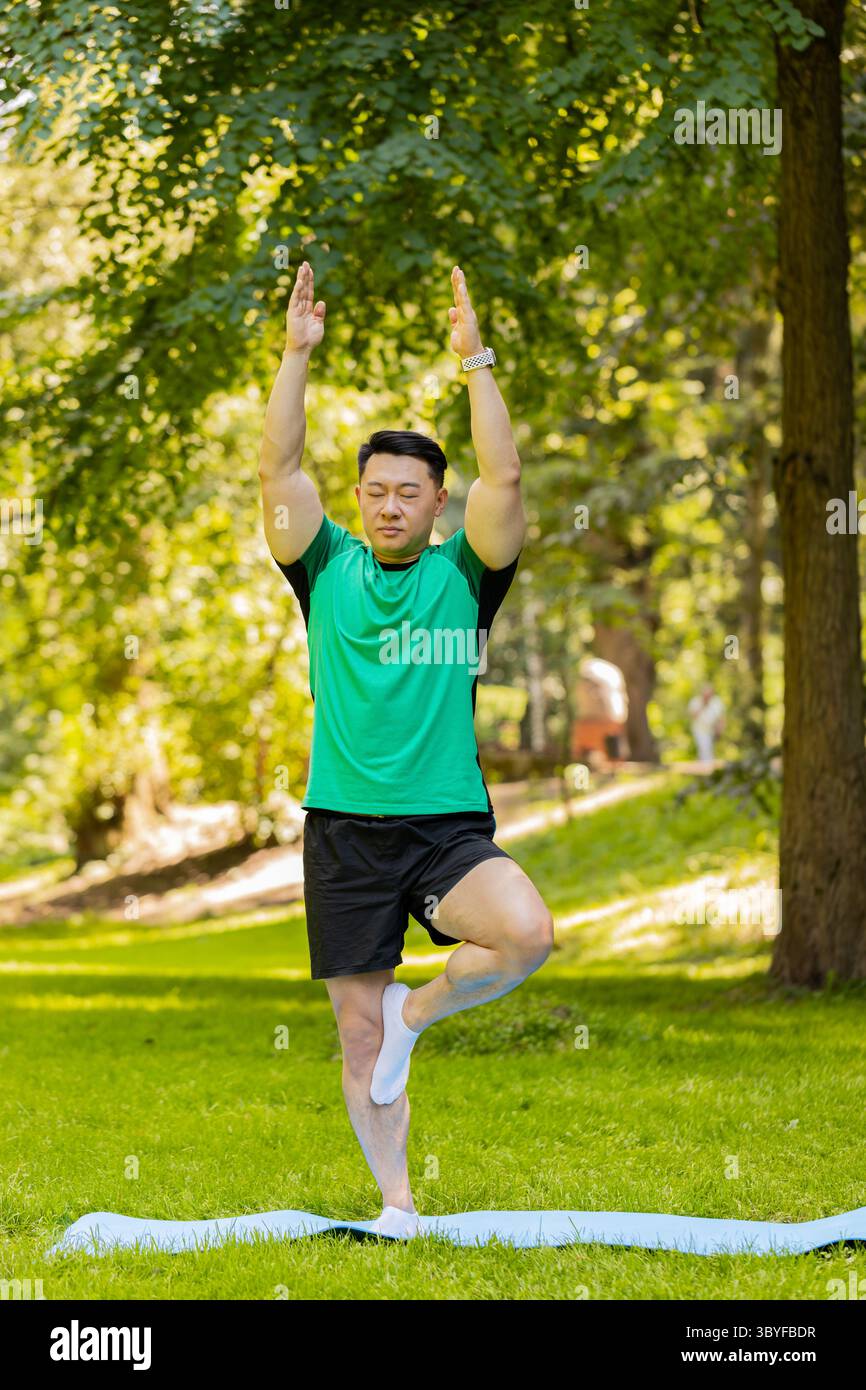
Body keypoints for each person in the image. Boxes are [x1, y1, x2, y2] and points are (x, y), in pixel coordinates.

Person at [258, 260, 554, 1238]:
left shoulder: (465, 579)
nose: (388, 506)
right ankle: (398, 1208)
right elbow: (276, 470)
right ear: (359, 497)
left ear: (437, 505)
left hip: (442, 828)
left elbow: (505, 476)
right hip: (343, 829)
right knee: (353, 1028)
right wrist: (295, 354)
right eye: (374, 490)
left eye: (408, 493)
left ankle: (417, 1019)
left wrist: (475, 358)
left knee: (521, 933)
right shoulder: (325, 566)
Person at [687, 683, 725, 763]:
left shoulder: (716, 702)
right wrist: (703, 704)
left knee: (709, 750)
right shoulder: (695, 701)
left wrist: (720, 728)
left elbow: (721, 717)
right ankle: (706, 767)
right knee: (704, 749)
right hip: (699, 729)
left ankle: (705, 767)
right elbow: (693, 716)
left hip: (712, 730)